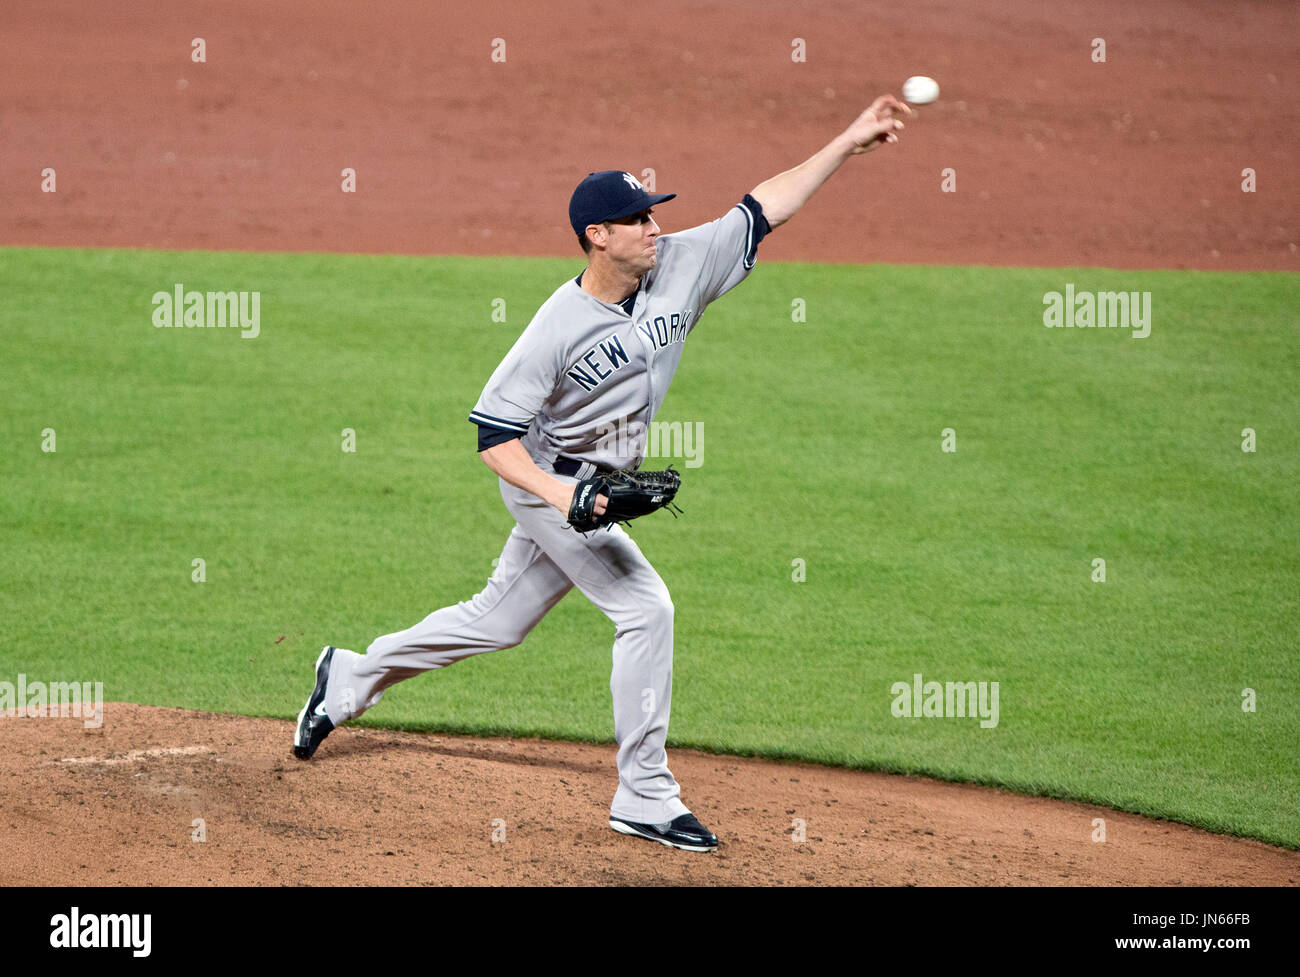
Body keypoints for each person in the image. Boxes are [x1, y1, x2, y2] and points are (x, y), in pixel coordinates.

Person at [293, 95, 911, 852]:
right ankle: (645, 794)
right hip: (546, 479)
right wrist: (565, 496)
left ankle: (349, 676)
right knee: (647, 609)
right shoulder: (555, 326)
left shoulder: (682, 264)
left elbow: (762, 207)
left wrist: (847, 141)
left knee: (499, 619)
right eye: (639, 219)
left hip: (594, 486)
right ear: (598, 236)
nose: (656, 227)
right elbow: (493, 436)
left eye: (654, 215)